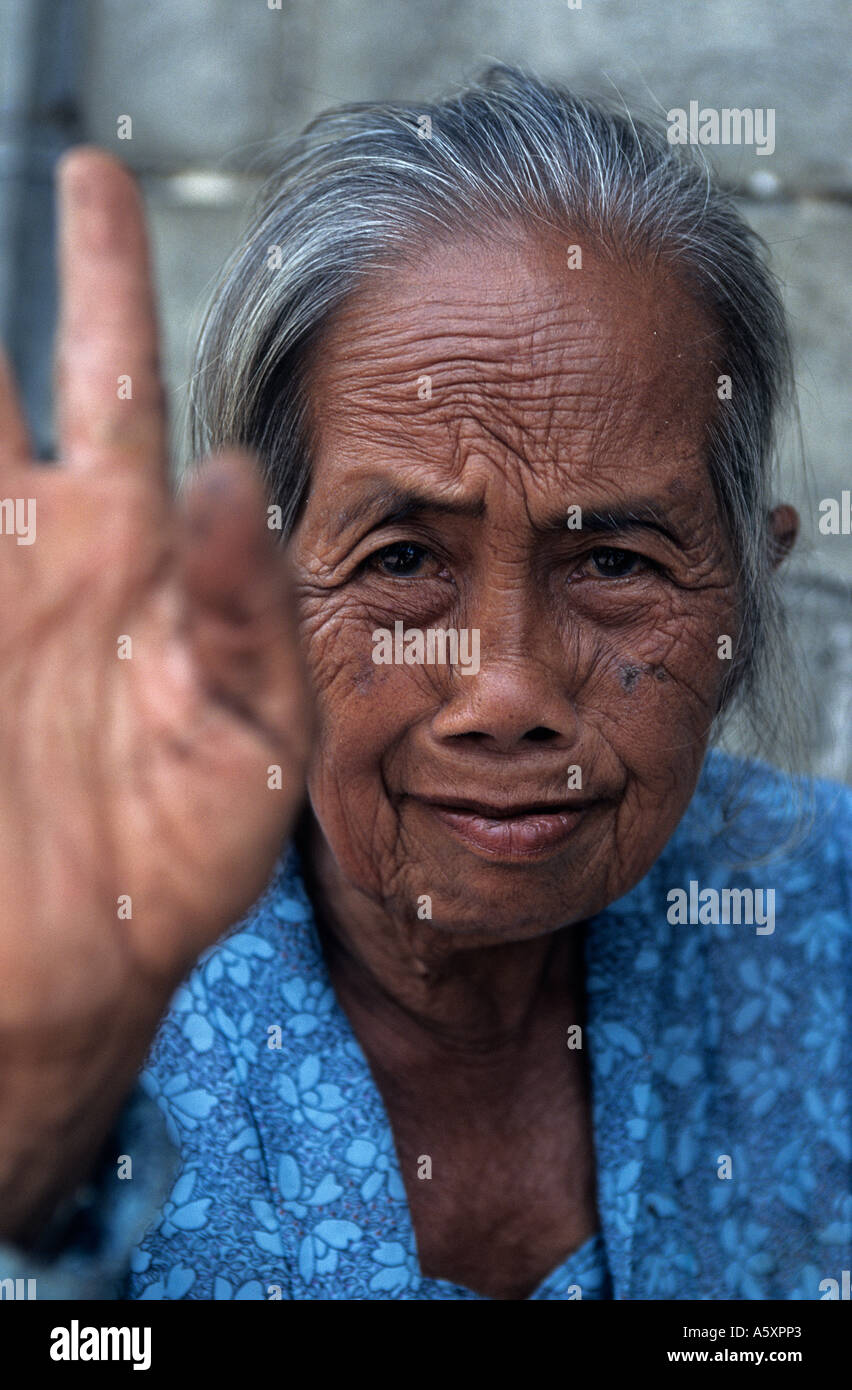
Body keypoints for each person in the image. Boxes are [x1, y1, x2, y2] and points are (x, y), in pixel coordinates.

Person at [0, 65, 848, 1302]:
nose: (505, 690)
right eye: (402, 559)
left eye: (614, 560)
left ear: (748, 593)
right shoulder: (64, 934)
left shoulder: (820, 923)